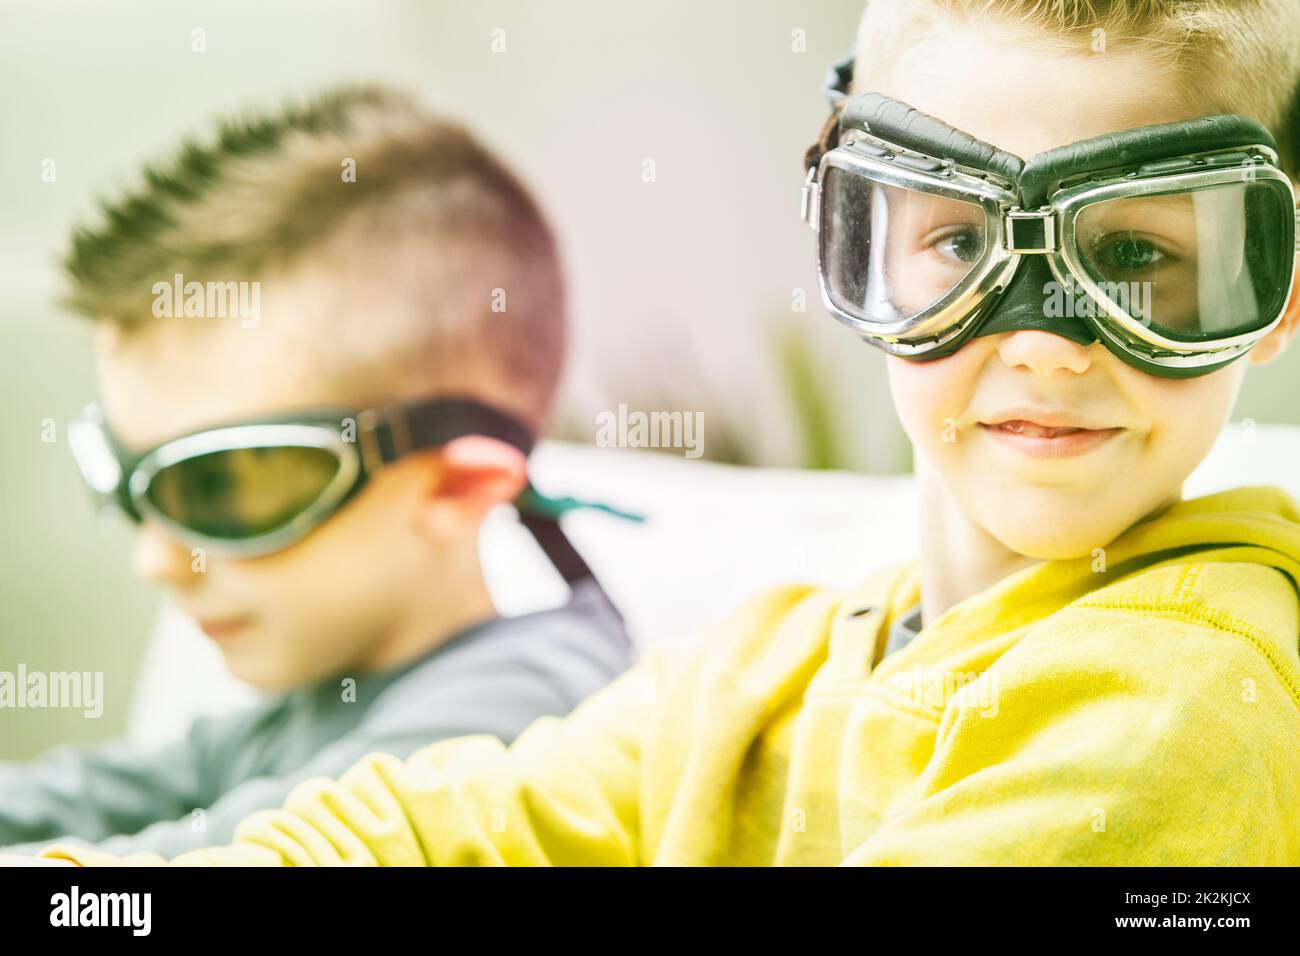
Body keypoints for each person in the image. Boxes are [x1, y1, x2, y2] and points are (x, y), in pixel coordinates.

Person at [39, 0, 1300, 866]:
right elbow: (451, 823)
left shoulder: (1193, 699)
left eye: (1135, 255)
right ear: (852, 247)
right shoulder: (781, 659)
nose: (1040, 340)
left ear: (1273, 298)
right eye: (959, 241)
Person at [1, 85, 634, 858]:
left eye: (219, 482)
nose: (157, 560)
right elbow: (80, 799)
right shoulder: (316, 699)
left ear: (455, 486)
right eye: (122, 475)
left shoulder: (521, 728)